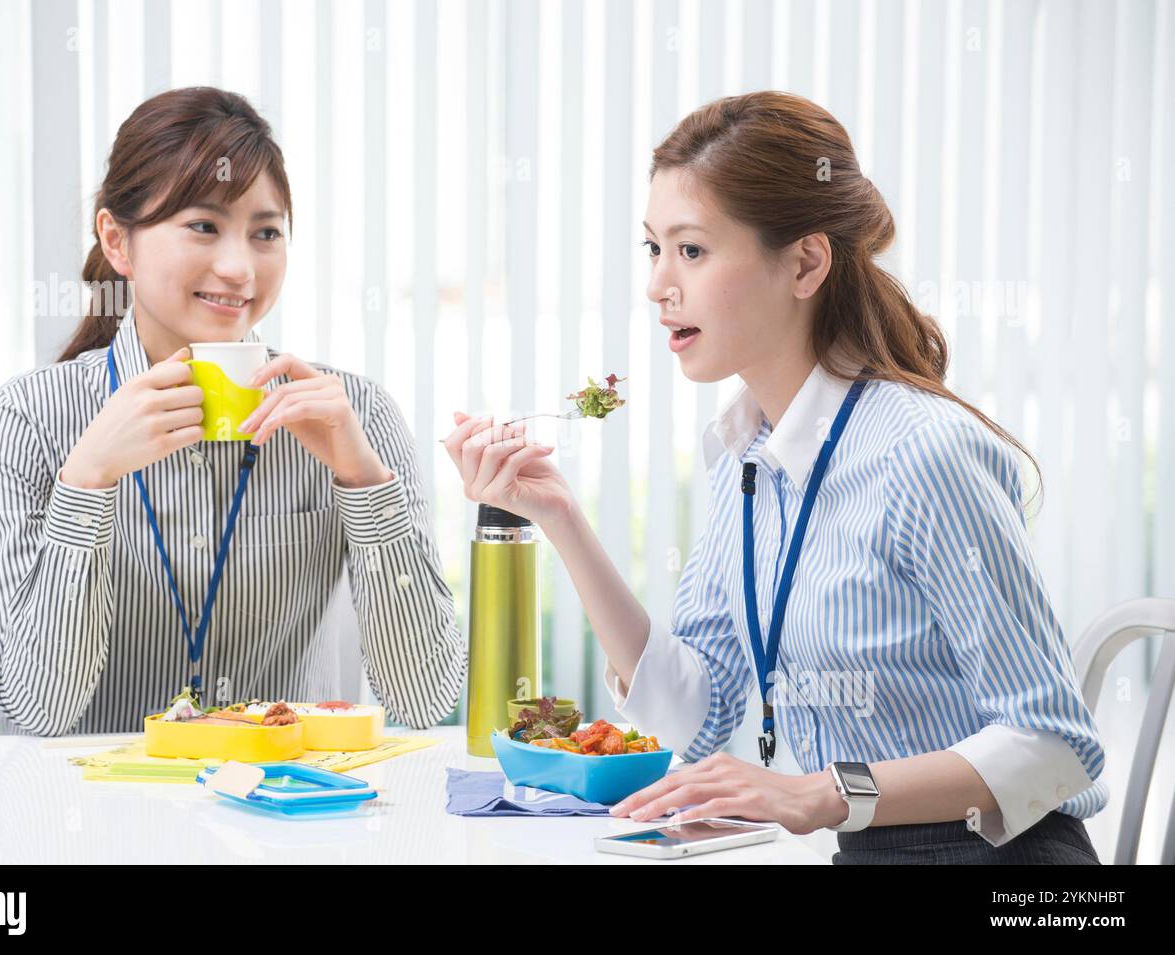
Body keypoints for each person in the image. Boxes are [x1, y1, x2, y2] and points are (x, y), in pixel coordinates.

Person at [443, 91, 1105, 864]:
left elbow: (1058, 743)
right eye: (651, 248)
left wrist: (818, 792)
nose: (659, 283)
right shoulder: (744, 457)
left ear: (805, 263)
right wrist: (558, 516)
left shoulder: (924, 452)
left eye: (691, 250)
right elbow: (696, 716)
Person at [0, 87, 464, 736]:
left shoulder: (356, 413)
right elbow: (36, 711)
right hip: (93, 826)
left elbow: (425, 699)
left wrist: (363, 482)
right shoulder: (28, 420)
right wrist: (85, 480)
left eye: (265, 233)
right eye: (203, 226)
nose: (238, 269)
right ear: (118, 241)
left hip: (283, 824)